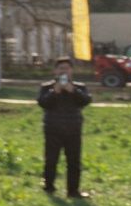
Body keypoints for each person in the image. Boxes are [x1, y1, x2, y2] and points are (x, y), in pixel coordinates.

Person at [37, 61, 91, 198]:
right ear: (55, 71)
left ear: (72, 71)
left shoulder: (80, 87)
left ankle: (73, 191)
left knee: (74, 161)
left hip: (73, 128)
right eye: (61, 68)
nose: (64, 71)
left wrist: (72, 90)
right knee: (51, 159)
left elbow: (86, 101)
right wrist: (54, 92)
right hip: (53, 128)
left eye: (67, 68)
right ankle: (48, 186)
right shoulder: (46, 87)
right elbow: (42, 103)